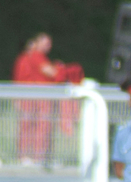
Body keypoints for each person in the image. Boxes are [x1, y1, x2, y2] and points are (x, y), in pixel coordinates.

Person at [12, 33, 85, 167]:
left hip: (30, 95)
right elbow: (51, 72)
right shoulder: (36, 56)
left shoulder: (26, 58)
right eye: (46, 43)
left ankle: (29, 157)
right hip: (36, 96)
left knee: (33, 127)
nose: (48, 47)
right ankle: (36, 157)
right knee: (40, 126)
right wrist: (62, 70)